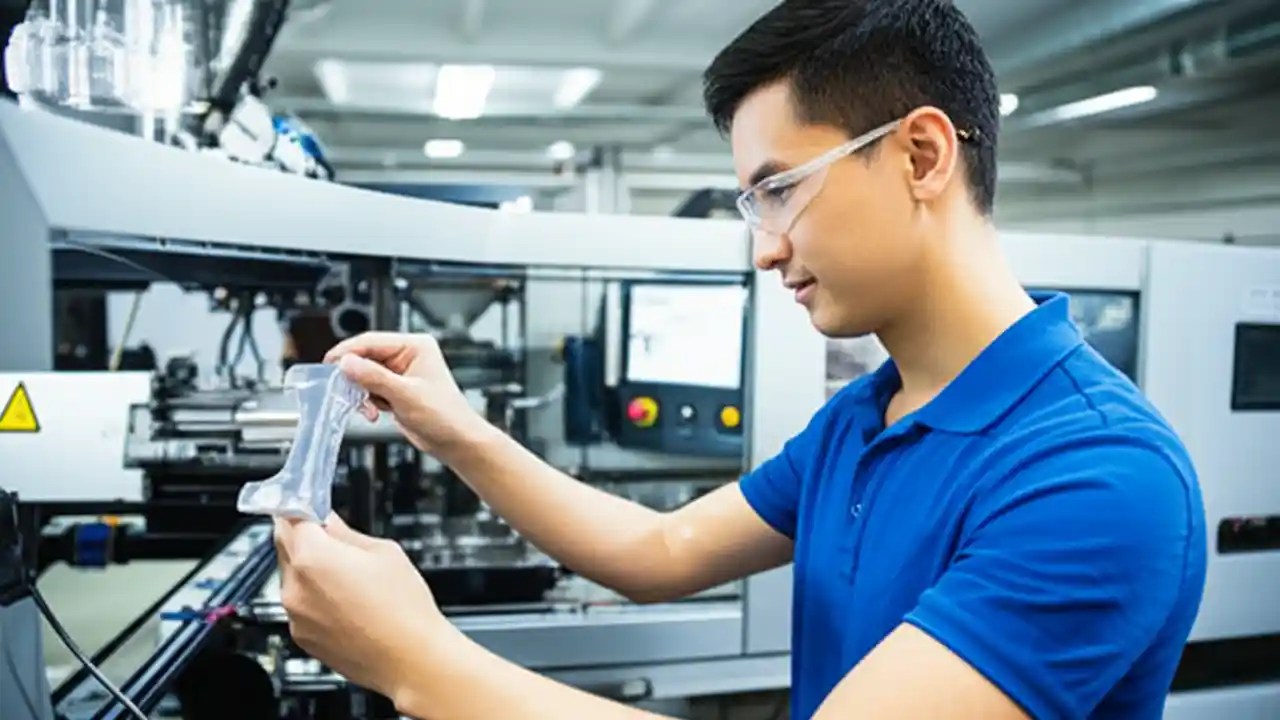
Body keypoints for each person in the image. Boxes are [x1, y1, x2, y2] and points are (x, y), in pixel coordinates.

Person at [273, 1, 1208, 718]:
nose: (764, 249)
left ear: (922, 154)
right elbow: (657, 550)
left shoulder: (1096, 476)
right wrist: (455, 429)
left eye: (780, 191)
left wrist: (415, 661)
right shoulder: (866, 417)